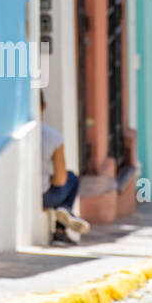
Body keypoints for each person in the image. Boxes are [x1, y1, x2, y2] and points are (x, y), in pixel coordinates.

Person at [40, 93, 90, 244]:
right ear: (44, 106)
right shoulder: (53, 137)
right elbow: (60, 179)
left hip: (31, 195)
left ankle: (65, 212)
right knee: (72, 178)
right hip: (47, 196)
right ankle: (61, 227)